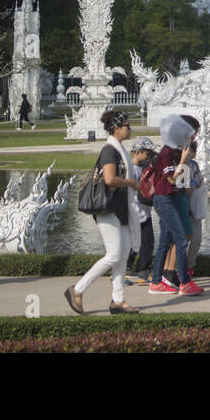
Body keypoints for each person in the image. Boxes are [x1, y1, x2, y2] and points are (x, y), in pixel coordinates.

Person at [66, 110, 140, 314]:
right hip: (108, 209)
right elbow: (109, 179)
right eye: (127, 125)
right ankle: (77, 289)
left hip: (119, 208)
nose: (130, 128)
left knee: (123, 254)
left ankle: (118, 300)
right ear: (117, 128)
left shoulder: (120, 150)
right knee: (114, 254)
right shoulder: (110, 150)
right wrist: (131, 183)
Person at [148, 114, 203, 296]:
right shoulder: (166, 152)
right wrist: (184, 160)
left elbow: (180, 183)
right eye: (191, 135)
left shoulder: (176, 152)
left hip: (169, 198)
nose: (193, 138)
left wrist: (184, 160)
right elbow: (173, 179)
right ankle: (184, 283)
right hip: (163, 199)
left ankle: (156, 282)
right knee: (180, 240)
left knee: (165, 242)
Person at [126, 137, 157, 283]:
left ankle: (135, 269)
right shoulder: (131, 170)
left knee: (145, 242)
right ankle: (139, 270)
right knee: (142, 243)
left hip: (144, 211)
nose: (150, 156)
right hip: (135, 213)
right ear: (138, 152)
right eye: (148, 153)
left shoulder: (144, 168)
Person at [184, 150, 209, 271]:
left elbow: (195, 181)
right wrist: (194, 183)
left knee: (197, 239)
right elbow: (184, 187)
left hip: (195, 206)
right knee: (182, 240)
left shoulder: (194, 165)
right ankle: (178, 268)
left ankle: (189, 264)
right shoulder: (180, 165)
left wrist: (197, 183)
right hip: (183, 206)